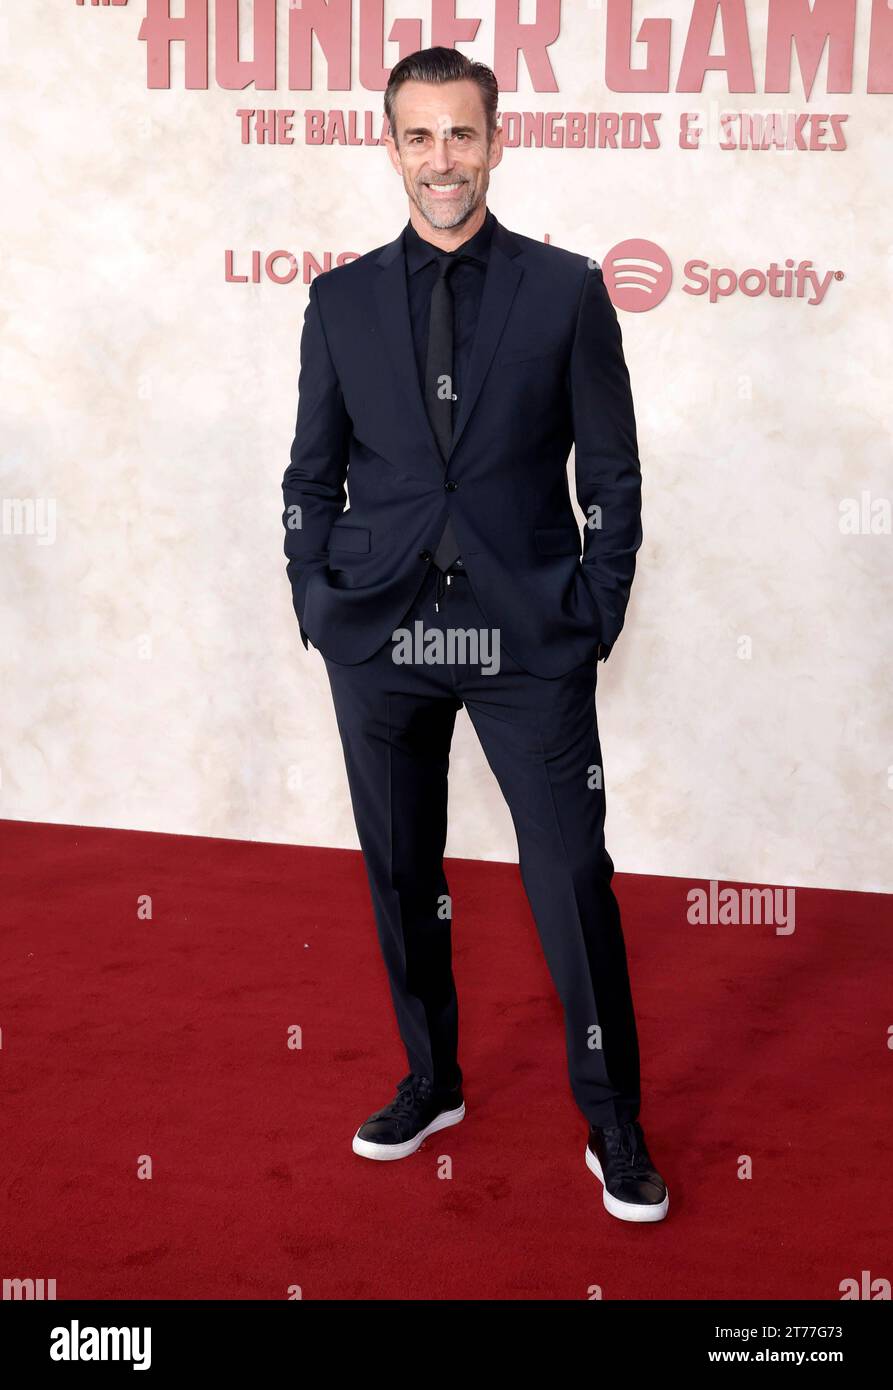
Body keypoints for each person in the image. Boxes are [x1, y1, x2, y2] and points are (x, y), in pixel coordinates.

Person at [281, 46, 668, 1223]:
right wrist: (314, 591)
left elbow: (610, 471)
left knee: (567, 877)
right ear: (388, 146)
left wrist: (592, 608)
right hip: (379, 635)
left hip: (525, 634)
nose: (440, 160)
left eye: (461, 135)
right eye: (418, 137)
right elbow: (311, 471)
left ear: (496, 142)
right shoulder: (339, 300)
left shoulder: (563, 291)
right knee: (402, 873)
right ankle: (432, 1077)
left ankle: (612, 1122)